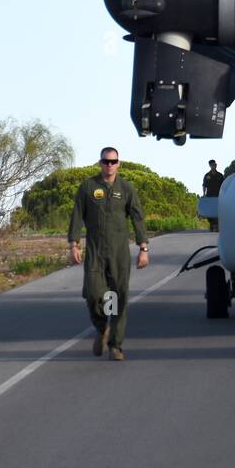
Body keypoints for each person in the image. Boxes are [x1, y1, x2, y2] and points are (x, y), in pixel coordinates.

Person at [68, 147, 149, 360]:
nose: (109, 165)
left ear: (119, 164)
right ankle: (102, 325)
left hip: (119, 252)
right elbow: (77, 216)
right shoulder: (88, 187)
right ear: (100, 163)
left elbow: (138, 219)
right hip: (95, 250)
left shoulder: (126, 188)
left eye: (113, 161)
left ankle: (115, 344)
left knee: (118, 296)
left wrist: (143, 248)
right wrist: (73, 244)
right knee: (95, 294)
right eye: (106, 161)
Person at [202, 159, 224, 232]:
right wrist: (204, 194)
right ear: (210, 166)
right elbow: (204, 186)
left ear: (216, 165)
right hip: (210, 196)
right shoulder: (207, 176)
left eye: (214, 165)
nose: (213, 166)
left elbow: (223, 185)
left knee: (218, 211)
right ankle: (211, 225)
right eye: (212, 165)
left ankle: (217, 226)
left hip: (218, 196)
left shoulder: (220, 175)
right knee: (210, 212)